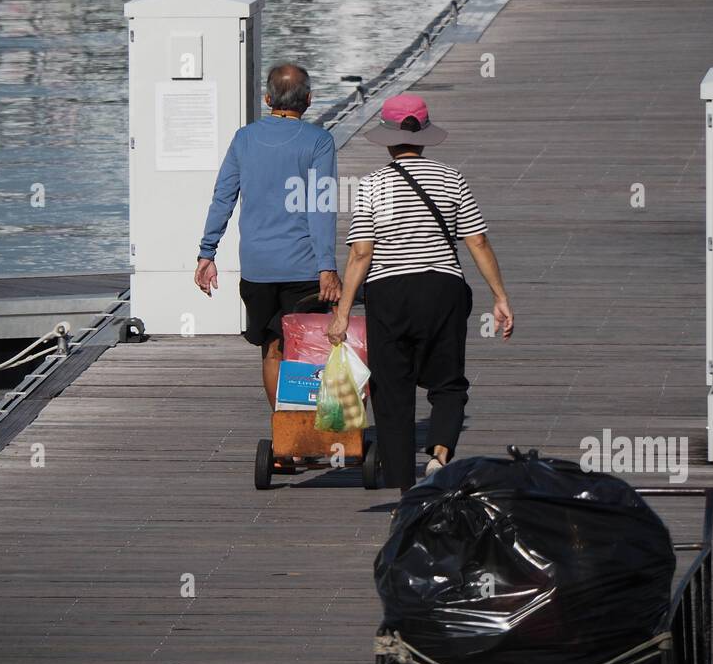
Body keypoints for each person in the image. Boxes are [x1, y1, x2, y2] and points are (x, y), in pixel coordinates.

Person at [327, 94, 514, 492]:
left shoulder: (372, 185)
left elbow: (362, 252)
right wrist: (500, 297)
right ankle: (440, 454)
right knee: (448, 381)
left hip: (389, 293)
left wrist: (343, 313)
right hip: (442, 289)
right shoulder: (452, 178)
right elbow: (477, 242)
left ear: (388, 140)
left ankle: (403, 487)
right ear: (425, 136)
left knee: (392, 389)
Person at [196, 64, 341, 407]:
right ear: (308, 99)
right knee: (307, 349)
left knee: (272, 349)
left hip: (258, 268)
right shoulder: (319, 141)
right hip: (304, 267)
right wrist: (327, 266)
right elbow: (321, 207)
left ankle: (283, 432)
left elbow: (223, 196)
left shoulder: (244, 138)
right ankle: (306, 426)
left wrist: (207, 253)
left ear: (267, 99)